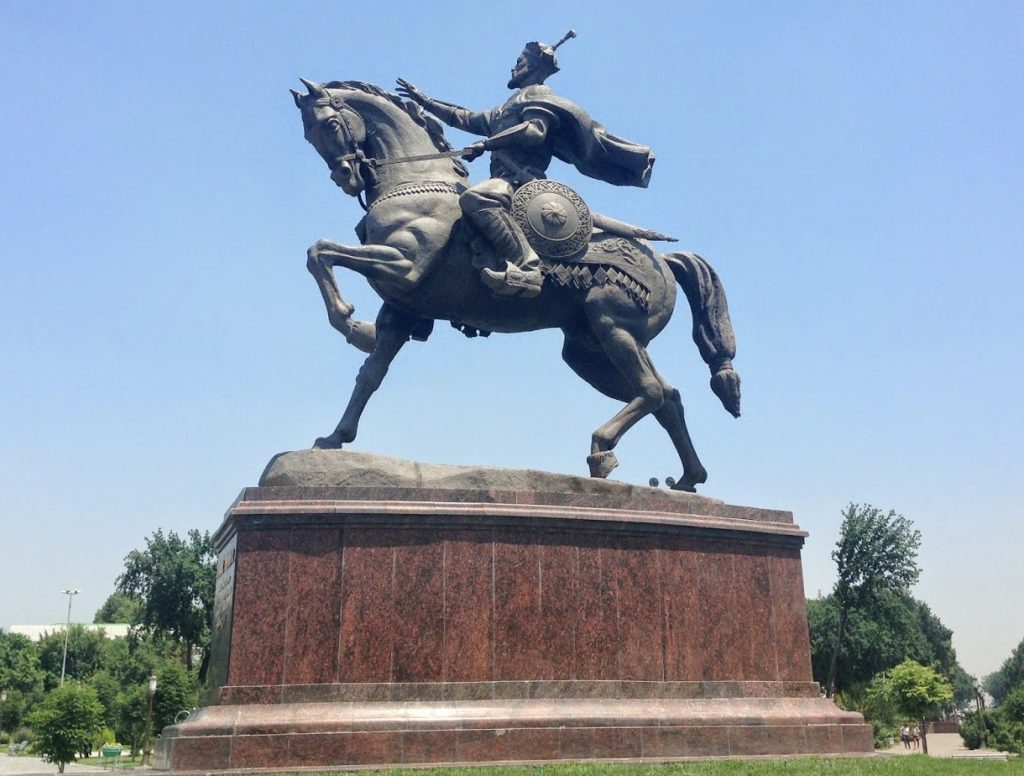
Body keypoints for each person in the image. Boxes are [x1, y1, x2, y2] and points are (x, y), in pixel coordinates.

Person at [397, 32, 654, 297]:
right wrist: (425, 101)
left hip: (521, 181)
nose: (513, 66)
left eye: (519, 61)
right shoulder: (507, 108)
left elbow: (535, 131)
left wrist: (488, 144)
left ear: (533, 66)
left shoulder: (541, 96)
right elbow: (464, 117)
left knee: (476, 198)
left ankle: (527, 267)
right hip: (503, 179)